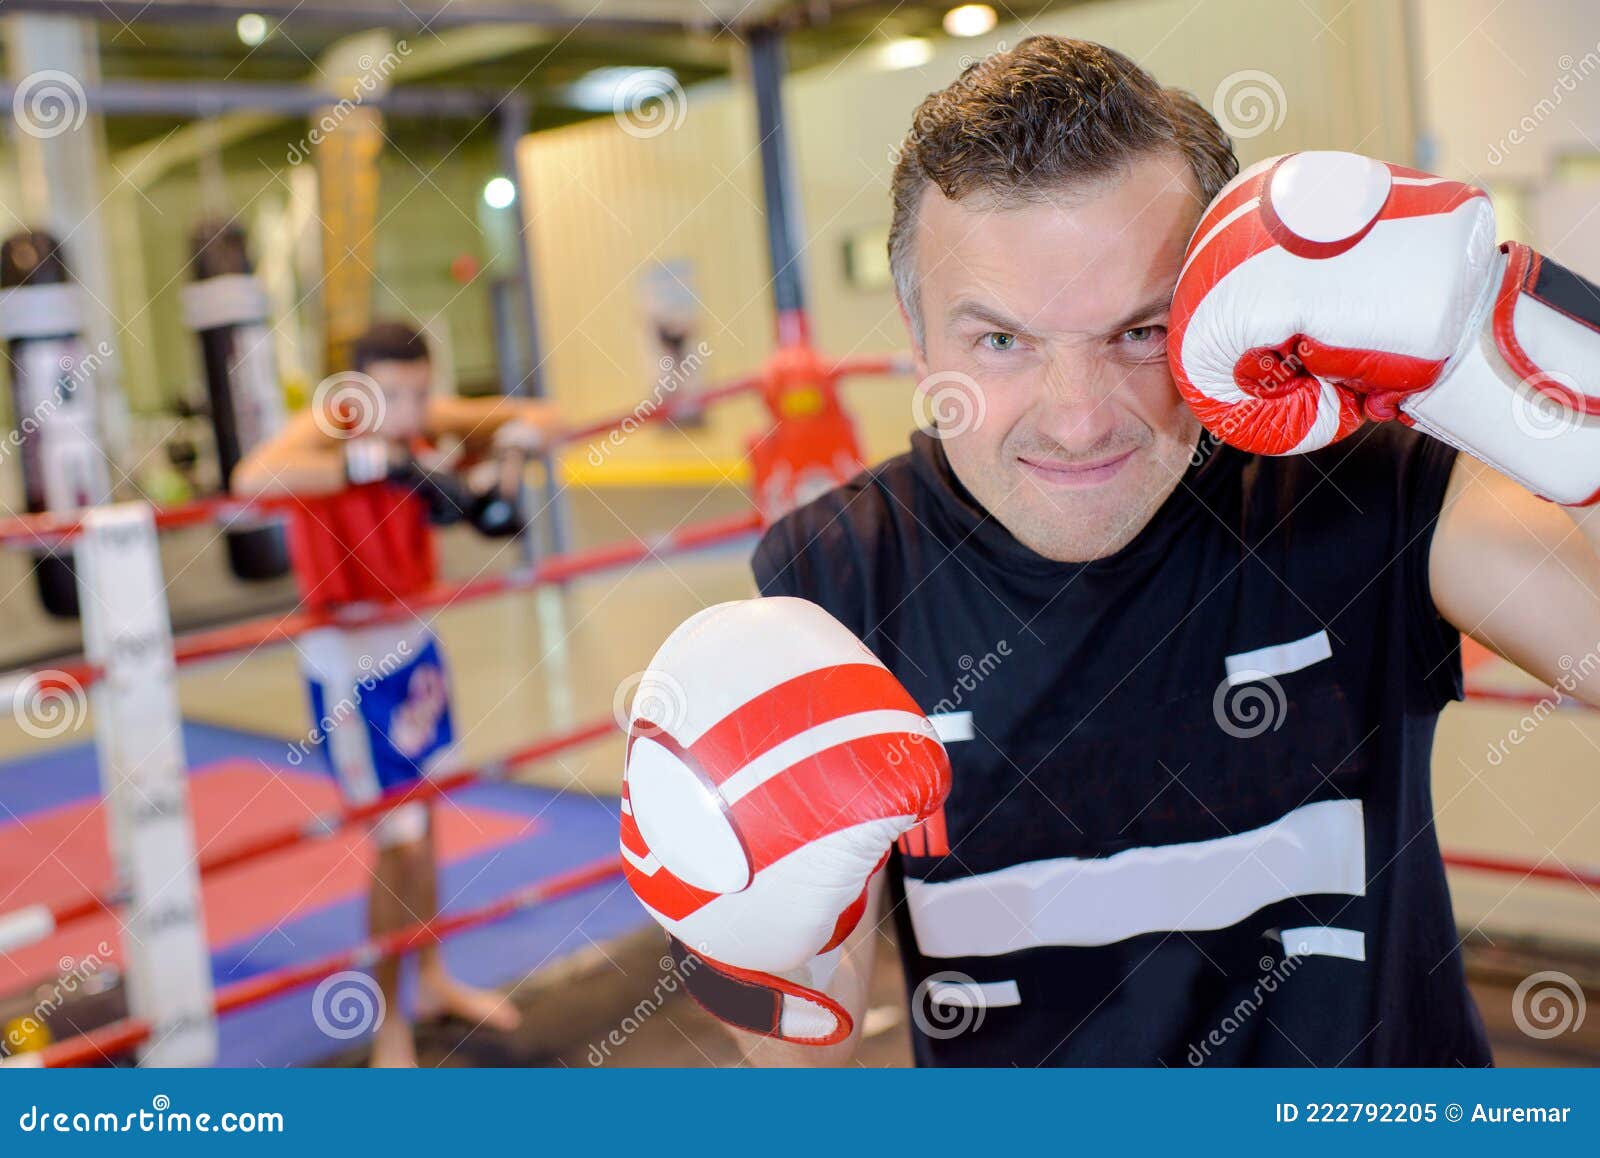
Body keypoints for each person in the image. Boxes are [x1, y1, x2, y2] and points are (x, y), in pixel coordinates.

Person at [623, 37, 1600, 1066]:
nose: (1080, 419)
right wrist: (733, 916)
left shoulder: (1361, 486)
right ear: (919, 340)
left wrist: (1513, 361)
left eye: (1140, 332)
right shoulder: (841, 580)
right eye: (1000, 342)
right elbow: (801, 1061)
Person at [233, 320, 560, 1067]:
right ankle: (388, 1021)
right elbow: (252, 479)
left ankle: (436, 977)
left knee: (429, 824)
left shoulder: (421, 416)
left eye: (420, 391)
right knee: (397, 843)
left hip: (416, 647)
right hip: (350, 668)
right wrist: (368, 463)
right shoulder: (327, 430)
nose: (411, 410)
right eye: (394, 394)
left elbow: (548, 417)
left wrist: (507, 442)